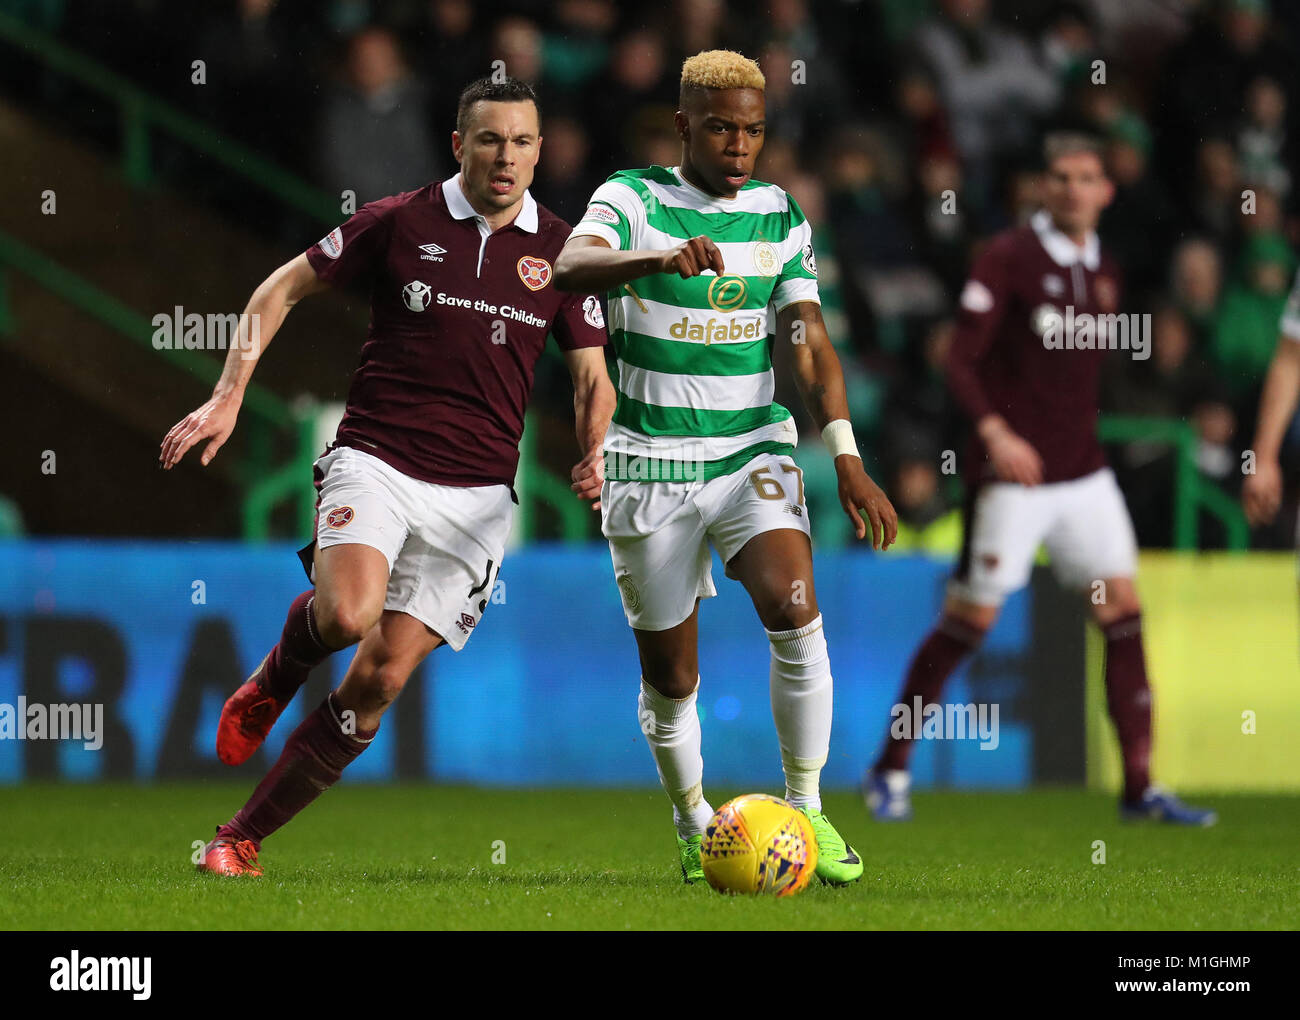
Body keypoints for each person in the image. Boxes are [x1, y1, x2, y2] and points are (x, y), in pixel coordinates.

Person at [160, 76, 615, 876]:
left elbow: (590, 378)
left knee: (376, 682)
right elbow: (282, 288)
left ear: (540, 153)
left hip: (476, 499)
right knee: (345, 616)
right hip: (377, 457)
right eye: (488, 139)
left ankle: (239, 839)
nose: (504, 156)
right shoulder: (401, 220)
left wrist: (595, 448)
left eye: (520, 142)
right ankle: (275, 676)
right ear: (458, 145)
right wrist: (228, 394)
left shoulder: (566, 252)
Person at [555, 50, 897, 886]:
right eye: (720, 128)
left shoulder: (780, 215)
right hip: (648, 461)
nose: (740, 144)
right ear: (683, 126)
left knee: (794, 603)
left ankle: (807, 806)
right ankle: (692, 822)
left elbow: (809, 346)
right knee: (673, 677)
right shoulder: (630, 198)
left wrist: (846, 456)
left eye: (752, 129)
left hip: (751, 450)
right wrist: (653, 259)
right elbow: (569, 267)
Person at [863, 133, 1216, 827]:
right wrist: (996, 434)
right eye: (1060, 177)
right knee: (970, 623)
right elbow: (960, 361)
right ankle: (890, 769)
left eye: (1087, 178)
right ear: (1044, 189)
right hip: (1012, 478)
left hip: (1083, 475)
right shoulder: (1008, 259)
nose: (1074, 189)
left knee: (1122, 616)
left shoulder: (1106, 269)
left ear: (1105, 192)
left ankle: (1140, 787)